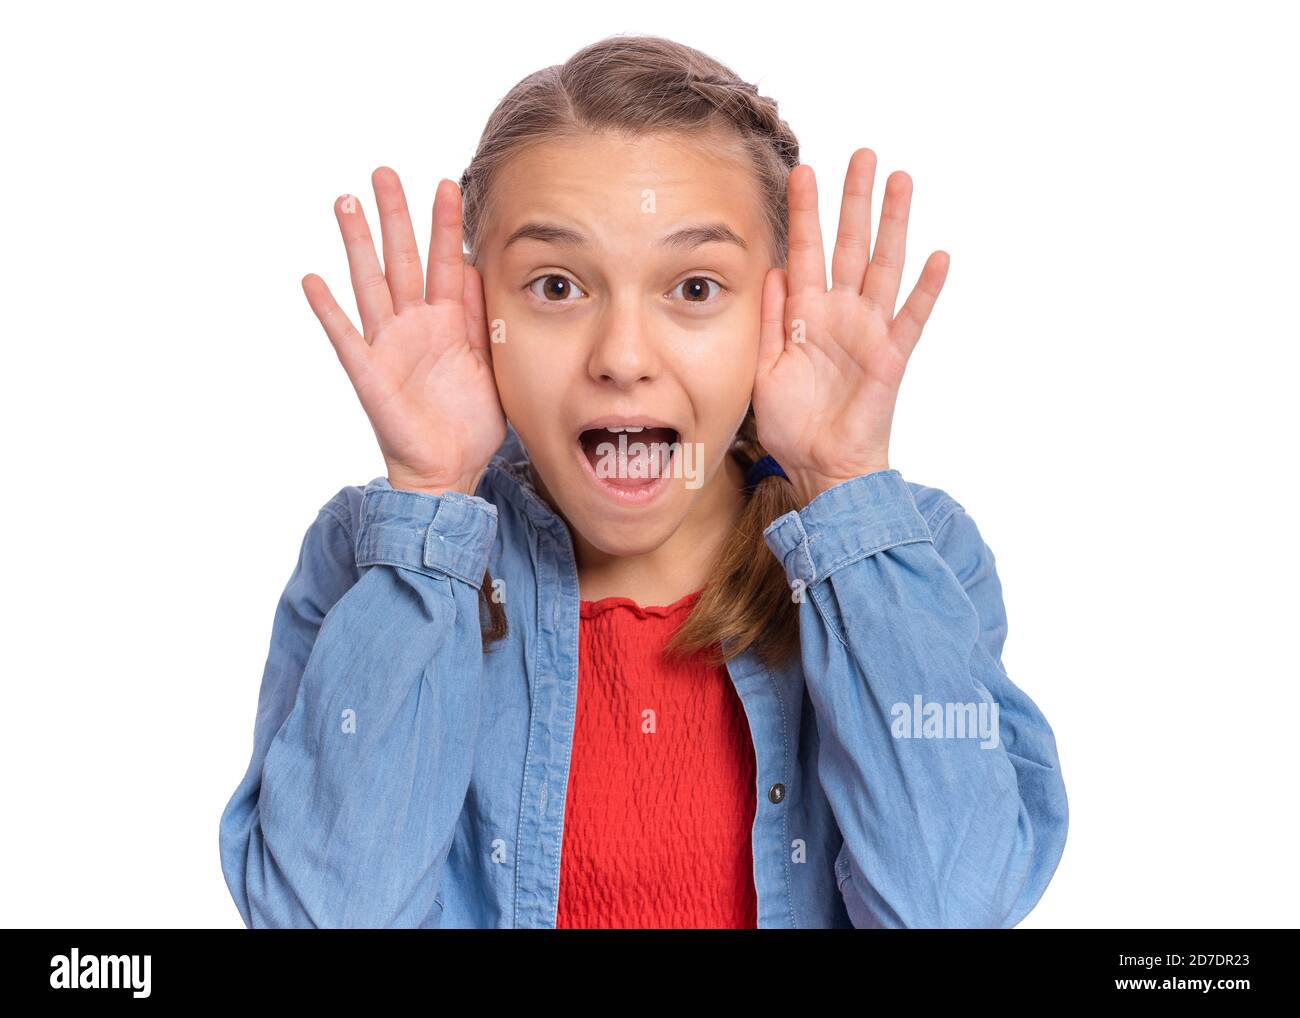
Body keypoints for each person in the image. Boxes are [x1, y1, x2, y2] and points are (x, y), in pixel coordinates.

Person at [218, 33, 1068, 929]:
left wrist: (841, 485)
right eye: (555, 286)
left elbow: (951, 909)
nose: (623, 357)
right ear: (478, 315)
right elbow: (326, 917)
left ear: (777, 313)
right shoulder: (371, 561)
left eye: (695, 289)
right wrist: (428, 503)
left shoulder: (910, 560)